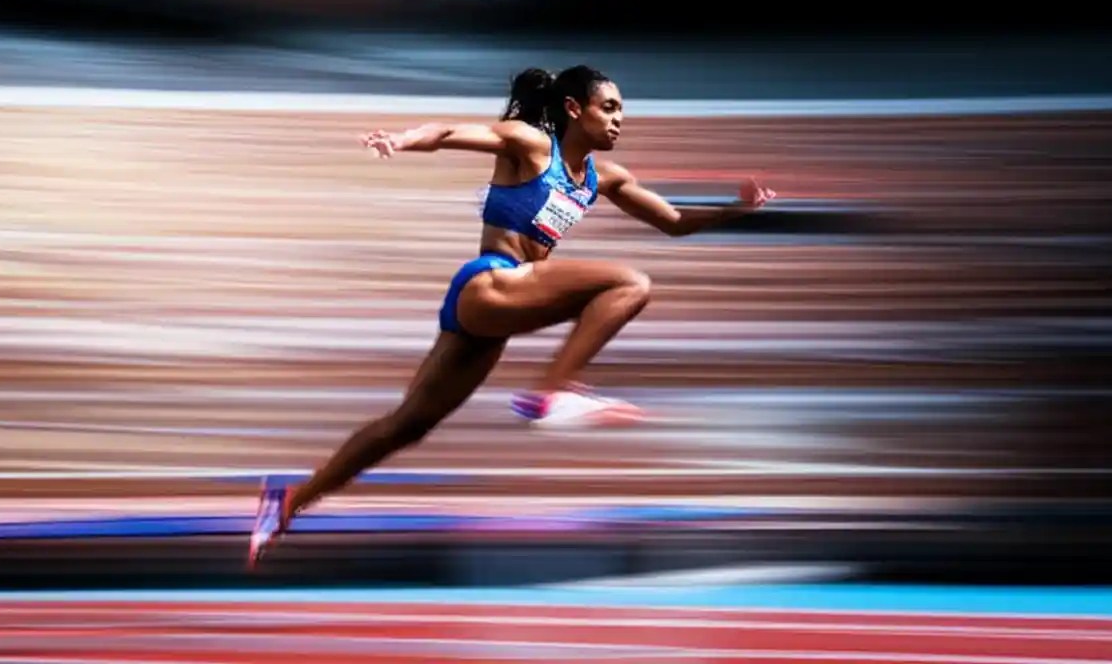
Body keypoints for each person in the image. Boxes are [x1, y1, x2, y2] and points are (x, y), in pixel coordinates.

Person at [248, 65, 775, 565]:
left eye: (622, 113)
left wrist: (737, 209)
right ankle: (554, 388)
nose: (618, 120)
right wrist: (402, 140)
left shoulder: (605, 177)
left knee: (407, 426)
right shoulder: (530, 145)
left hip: (494, 310)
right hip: (491, 280)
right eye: (609, 108)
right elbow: (451, 131)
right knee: (630, 283)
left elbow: (676, 221)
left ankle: (290, 501)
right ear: (573, 108)